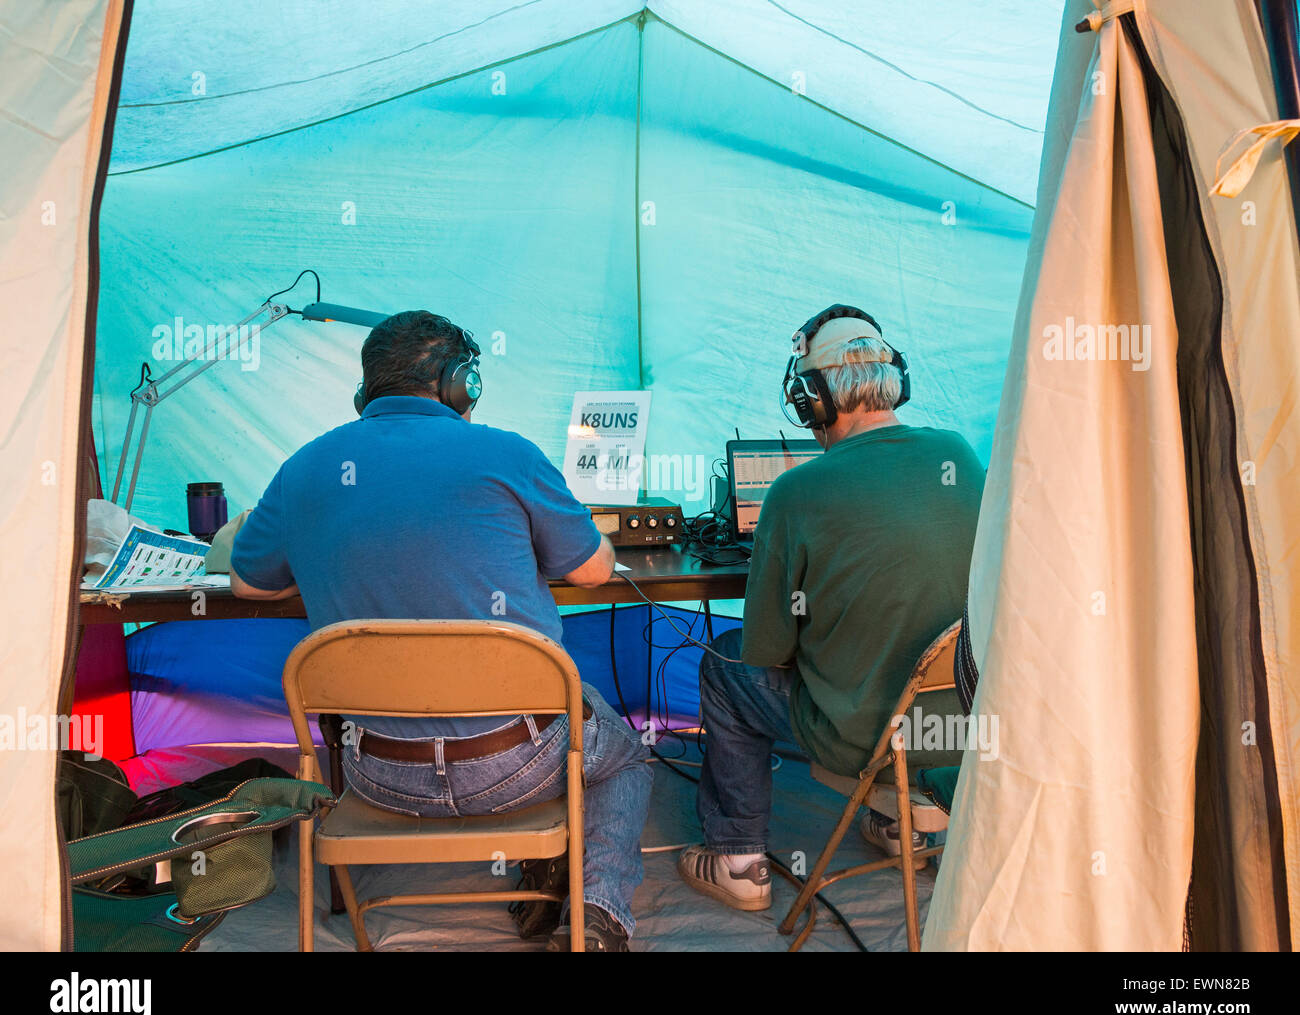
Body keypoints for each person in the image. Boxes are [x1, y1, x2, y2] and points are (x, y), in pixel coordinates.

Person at [230, 310, 651, 951]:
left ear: (365, 391)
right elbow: (594, 571)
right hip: (521, 762)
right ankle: (596, 914)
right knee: (627, 759)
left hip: (377, 772)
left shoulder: (305, 467)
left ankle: (545, 875)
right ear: (463, 386)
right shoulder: (508, 454)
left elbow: (249, 586)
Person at [678, 305, 983, 912]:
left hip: (870, 743)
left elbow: (768, 649)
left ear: (811, 402)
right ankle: (906, 821)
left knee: (726, 664)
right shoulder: (960, 456)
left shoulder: (795, 492)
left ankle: (739, 859)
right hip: (971, 729)